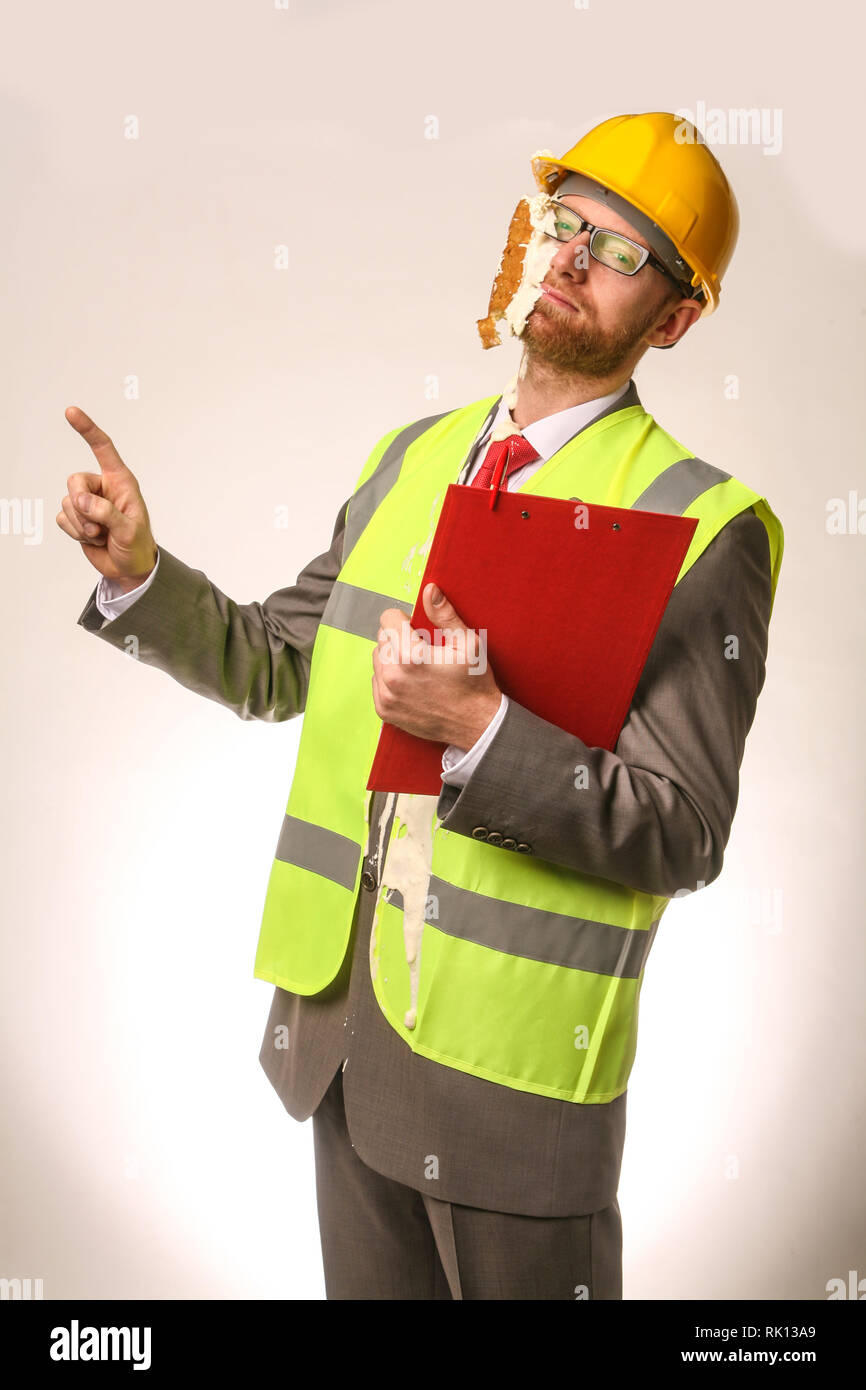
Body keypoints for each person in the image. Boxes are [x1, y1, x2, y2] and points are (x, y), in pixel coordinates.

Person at [58, 112, 783, 1300]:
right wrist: (141, 575)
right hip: (340, 1042)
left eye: (617, 251)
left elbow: (682, 830)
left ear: (673, 318)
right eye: (561, 223)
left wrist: (483, 731)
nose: (569, 258)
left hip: (512, 1092)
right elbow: (277, 664)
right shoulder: (410, 457)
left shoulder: (701, 525)